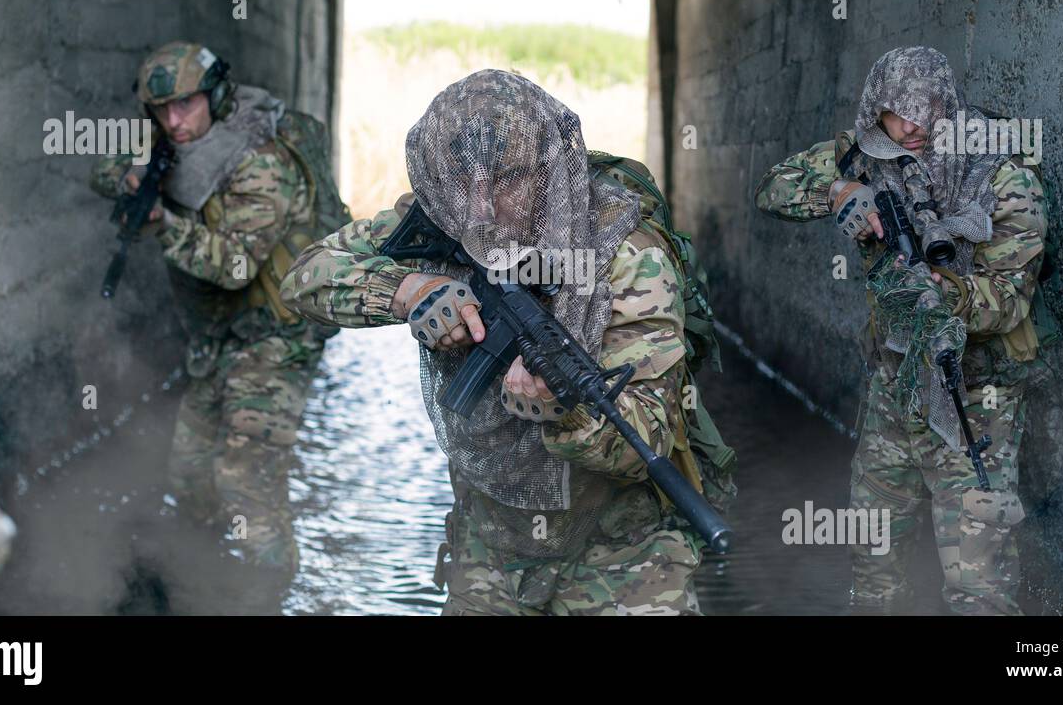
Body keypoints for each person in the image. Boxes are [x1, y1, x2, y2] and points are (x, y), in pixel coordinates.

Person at [281, 70, 735, 615]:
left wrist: (562, 411)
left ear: (547, 170)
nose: (481, 207)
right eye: (461, 180)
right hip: (491, 545)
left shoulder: (627, 255)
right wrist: (408, 291)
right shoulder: (439, 217)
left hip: (622, 551)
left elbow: (648, 441)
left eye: (507, 180)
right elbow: (305, 275)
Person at [754, 46, 1050, 615]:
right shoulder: (866, 153)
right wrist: (839, 193)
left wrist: (945, 294)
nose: (911, 128)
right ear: (876, 110)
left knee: (979, 583)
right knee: (874, 561)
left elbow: (1010, 302)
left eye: (926, 112)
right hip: (894, 388)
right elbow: (772, 188)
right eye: (897, 113)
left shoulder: (1003, 179)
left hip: (974, 400)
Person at [88, 41, 347, 587]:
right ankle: (195, 586)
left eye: (186, 104)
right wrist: (131, 179)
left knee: (247, 482)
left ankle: (266, 593)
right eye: (161, 110)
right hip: (222, 337)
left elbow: (233, 265)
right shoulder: (171, 142)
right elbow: (104, 166)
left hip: (280, 337)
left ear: (215, 94)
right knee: (189, 477)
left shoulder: (260, 160)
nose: (174, 120)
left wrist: (162, 222)